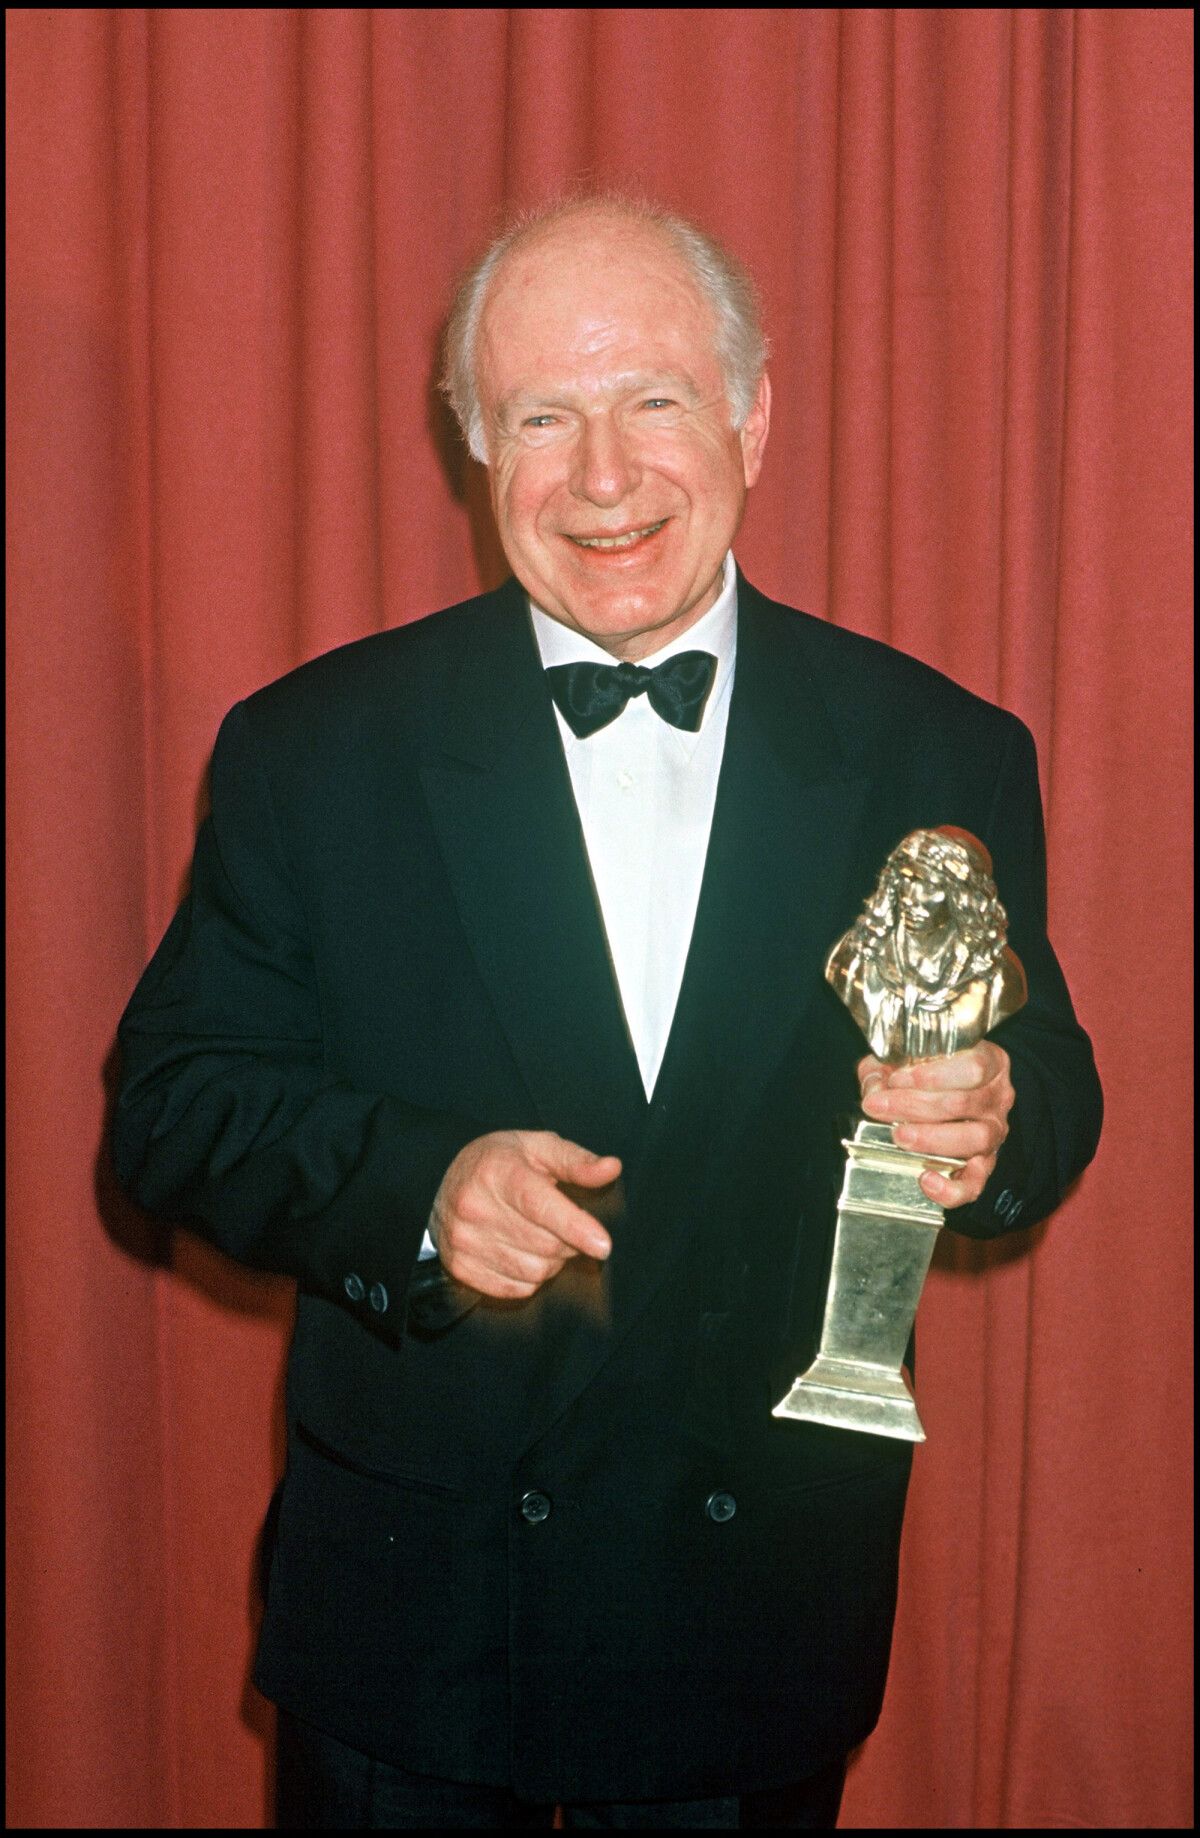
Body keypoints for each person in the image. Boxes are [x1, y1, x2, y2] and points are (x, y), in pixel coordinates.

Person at [113, 193, 1102, 1830]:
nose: (603, 476)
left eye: (654, 399)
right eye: (543, 419)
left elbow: (1045, 1079)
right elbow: (171, 1104)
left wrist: (997, 1116)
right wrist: (415, 1188)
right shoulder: (313, 750)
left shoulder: (937, 745)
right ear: (475, 444)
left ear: (752, 417)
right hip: (419, 1637)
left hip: (753, 1621)